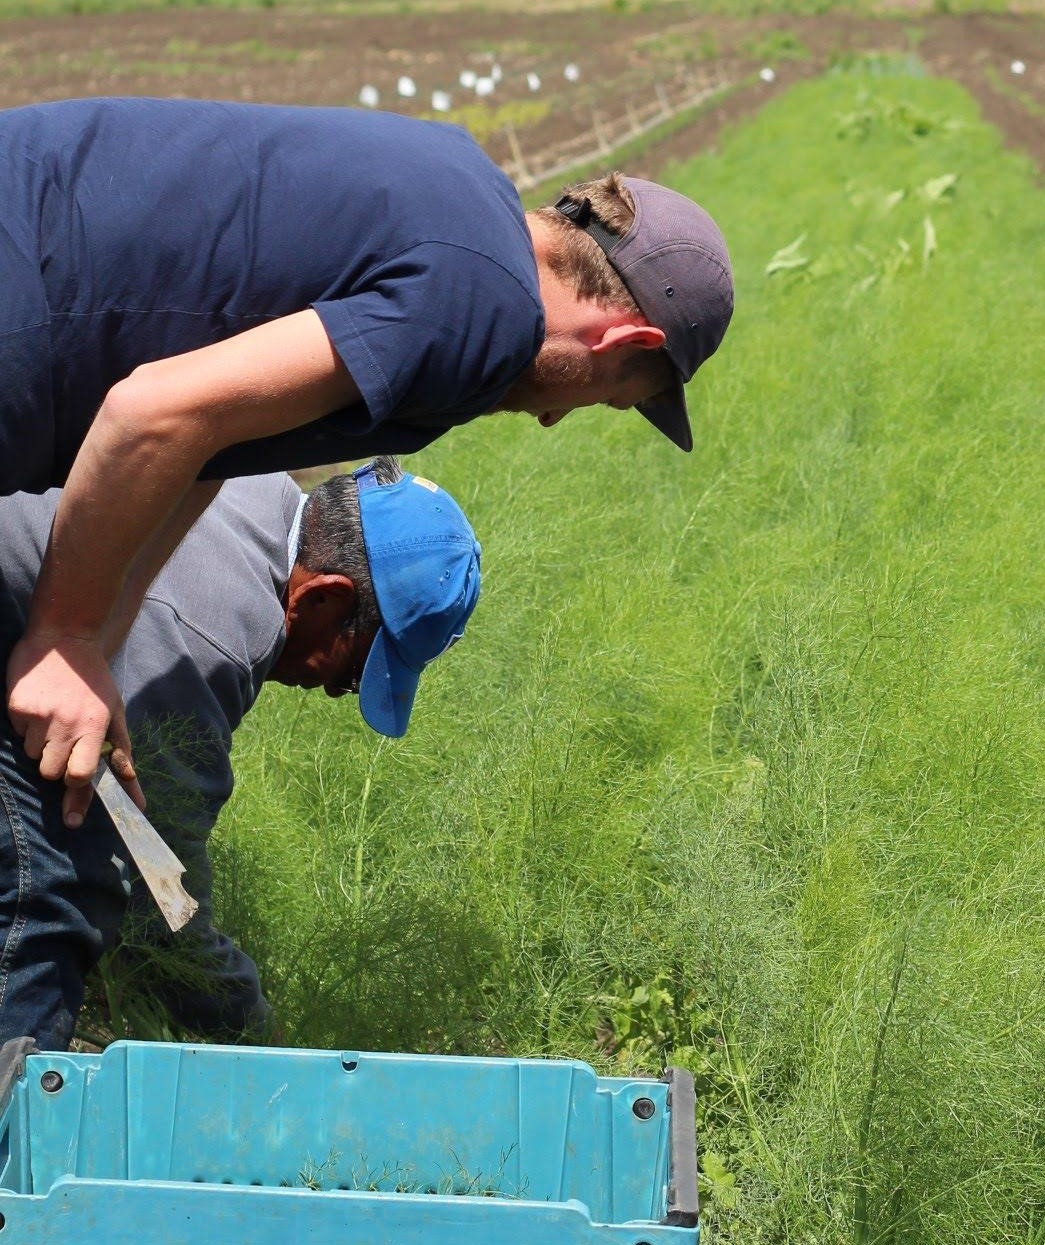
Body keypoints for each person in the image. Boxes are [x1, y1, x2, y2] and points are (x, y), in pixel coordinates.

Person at [0, 96, 733, 829]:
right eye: (601, 397)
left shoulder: (465, 187)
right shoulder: (489, 315)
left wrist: (101, 646)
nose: (549, 416)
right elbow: (154, 412)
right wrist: (65, 635)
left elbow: (212, 439)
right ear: (625, 343)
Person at [0, 457, 479, 1050]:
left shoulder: (255, 479)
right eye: (357, 669)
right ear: (324, 600)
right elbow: (160, 898)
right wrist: (252, 1028)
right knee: (56, 894)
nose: (336, 691)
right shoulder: (205, 642)